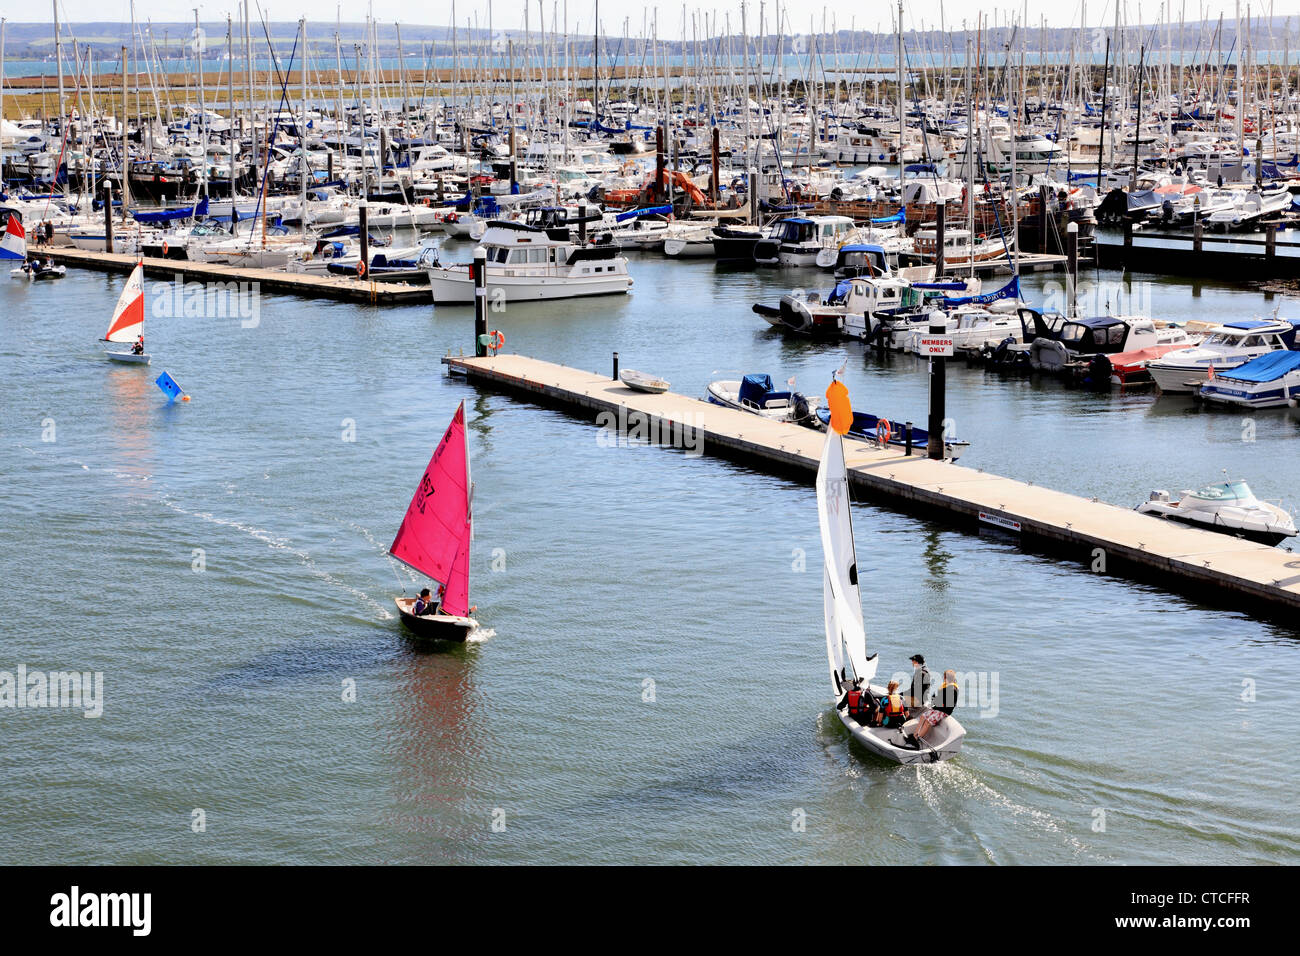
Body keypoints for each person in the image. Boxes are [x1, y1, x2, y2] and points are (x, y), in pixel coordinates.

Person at [912, 670, 960, 745]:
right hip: (938, 708)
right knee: (923, 716)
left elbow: (950, 705)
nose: (943, 678)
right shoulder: (945, 685)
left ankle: (917, 739)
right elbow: (935, 696)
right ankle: (914, 735)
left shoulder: (953, 689)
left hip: (944, 711)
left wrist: (939, 703)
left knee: (928, 722)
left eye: (944, 677)